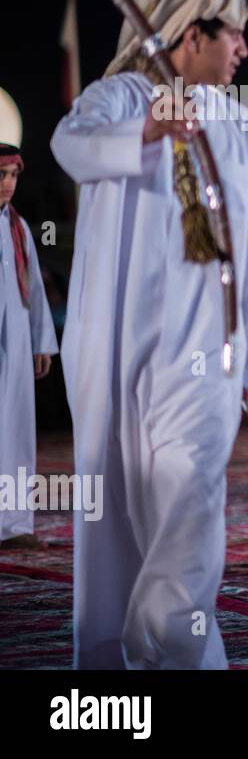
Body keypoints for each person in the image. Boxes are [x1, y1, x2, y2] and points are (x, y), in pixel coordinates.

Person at [51, 0, 248, 668]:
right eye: (234, 32)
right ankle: (109, 670)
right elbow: (70, 146)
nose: (244, 47)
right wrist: (147, 127)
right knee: (113, 521)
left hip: (206, 360)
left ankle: (176, 648)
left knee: (187, 515)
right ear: (190, 34)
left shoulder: (237, 122)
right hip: (116, 354)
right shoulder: (114, 98)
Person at [0, 143, 58, 550]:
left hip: (17, 341)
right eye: (1, 176)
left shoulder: (18, 228)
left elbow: (34, 289)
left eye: (13, 176)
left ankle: (16, 524)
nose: (7, 184)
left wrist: (41, 341)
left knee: (17, 428)